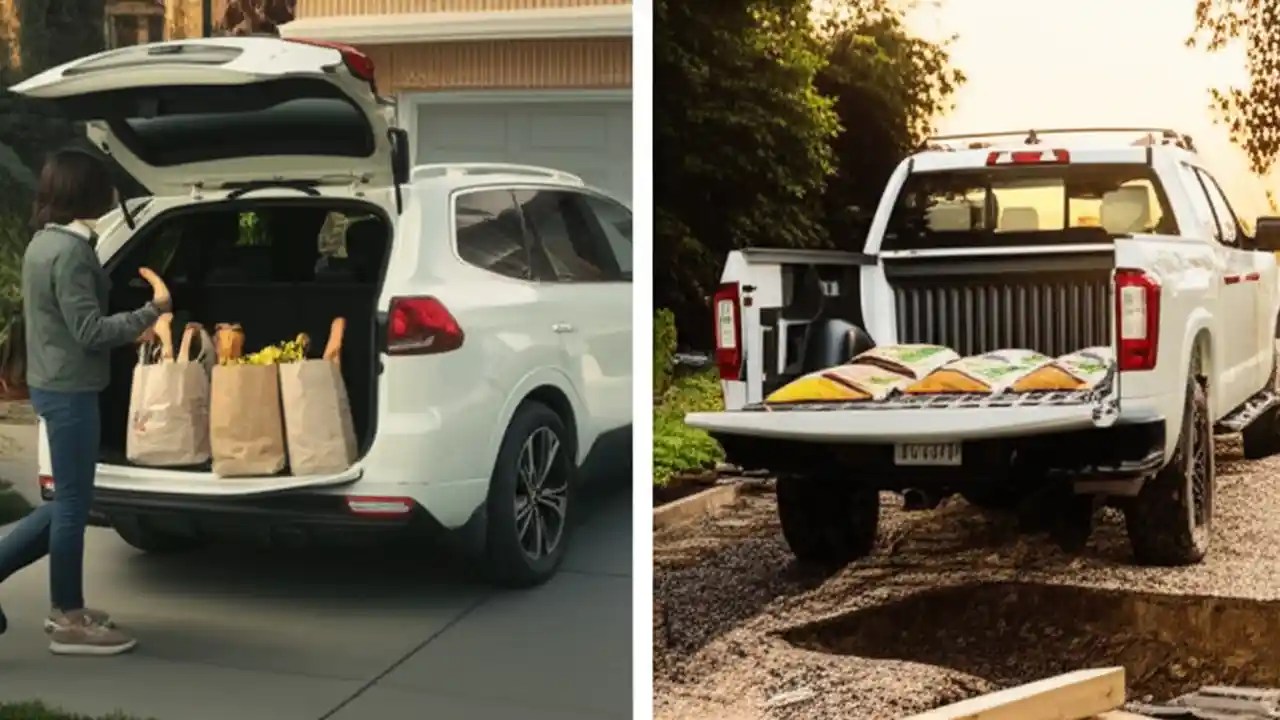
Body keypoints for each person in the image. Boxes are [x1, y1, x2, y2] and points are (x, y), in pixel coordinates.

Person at [0, 149, 170, 656]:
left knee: (69, 502)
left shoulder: (42, 244)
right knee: (73, 505)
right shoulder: (72, 252)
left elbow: (62, 324)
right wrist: (151, 312)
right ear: (88, 194)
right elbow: (89, 330)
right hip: (71, 390)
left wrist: (128, 332)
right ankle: (68, 618)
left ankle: (65, 607)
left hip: (54, 383)